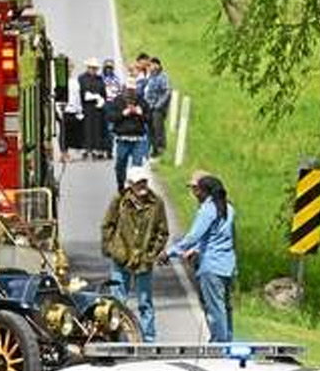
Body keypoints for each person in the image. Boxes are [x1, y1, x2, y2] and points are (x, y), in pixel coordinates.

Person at [160, 173, 236, 343]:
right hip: (227, 265)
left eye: (198, 190)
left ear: (206, 192)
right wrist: (195, 250)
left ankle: (219, 343)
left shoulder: (208, 210)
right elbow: (218, 237)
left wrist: (169, 252)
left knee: (214, 308)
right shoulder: (229, 208)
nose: (196, 194)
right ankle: (228, 340)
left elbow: (193, 237)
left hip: (211, 266)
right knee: (225, 306)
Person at [101, 165, 169, 342]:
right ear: (130, 184)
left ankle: (148, 338)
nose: (142, 186)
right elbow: (108, 225)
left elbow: (162, 232)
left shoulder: (157, 203)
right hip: (121, 258)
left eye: (144, 182)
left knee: (145, 303)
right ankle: (117, 336)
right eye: (139, 183)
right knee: (117, 301)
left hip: (143, 262)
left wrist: (151, 254)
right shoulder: (119, 201)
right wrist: (111, 249)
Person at [107, 82, 150, 191]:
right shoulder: (117, 101)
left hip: (138, 139)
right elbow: (110, 117)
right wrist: (123, 114)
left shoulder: (142, 101)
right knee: (120, 165)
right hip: (123, 139)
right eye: (128, 89)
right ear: (124, 89)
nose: (130, 92)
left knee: (137, 166)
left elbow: (149, 118)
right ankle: (121, 186)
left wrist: (141, 114)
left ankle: (135, 189)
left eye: (133, 90)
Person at [78, 58, 108, 159]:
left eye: (95, 69)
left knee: (97, 128)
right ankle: (86, 148)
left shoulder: (100, 79)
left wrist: (101, 100)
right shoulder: (81, 78)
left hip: (97, 107)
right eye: (91, 68)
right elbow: (80, 92)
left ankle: (97, 148)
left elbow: (103, 93)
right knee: (86, 128)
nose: (93, 70)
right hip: (86, 106)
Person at [144, 57, 172, 158]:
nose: (149, 67)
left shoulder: (163, 76)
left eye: (151, 65)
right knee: (151, 129)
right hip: (149, 107)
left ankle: (161, 149)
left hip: (158, 108)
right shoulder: (151, 76)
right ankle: (154, 150)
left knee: (158, 128)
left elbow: (167, 92)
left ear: (157, 65)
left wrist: (158, 105)